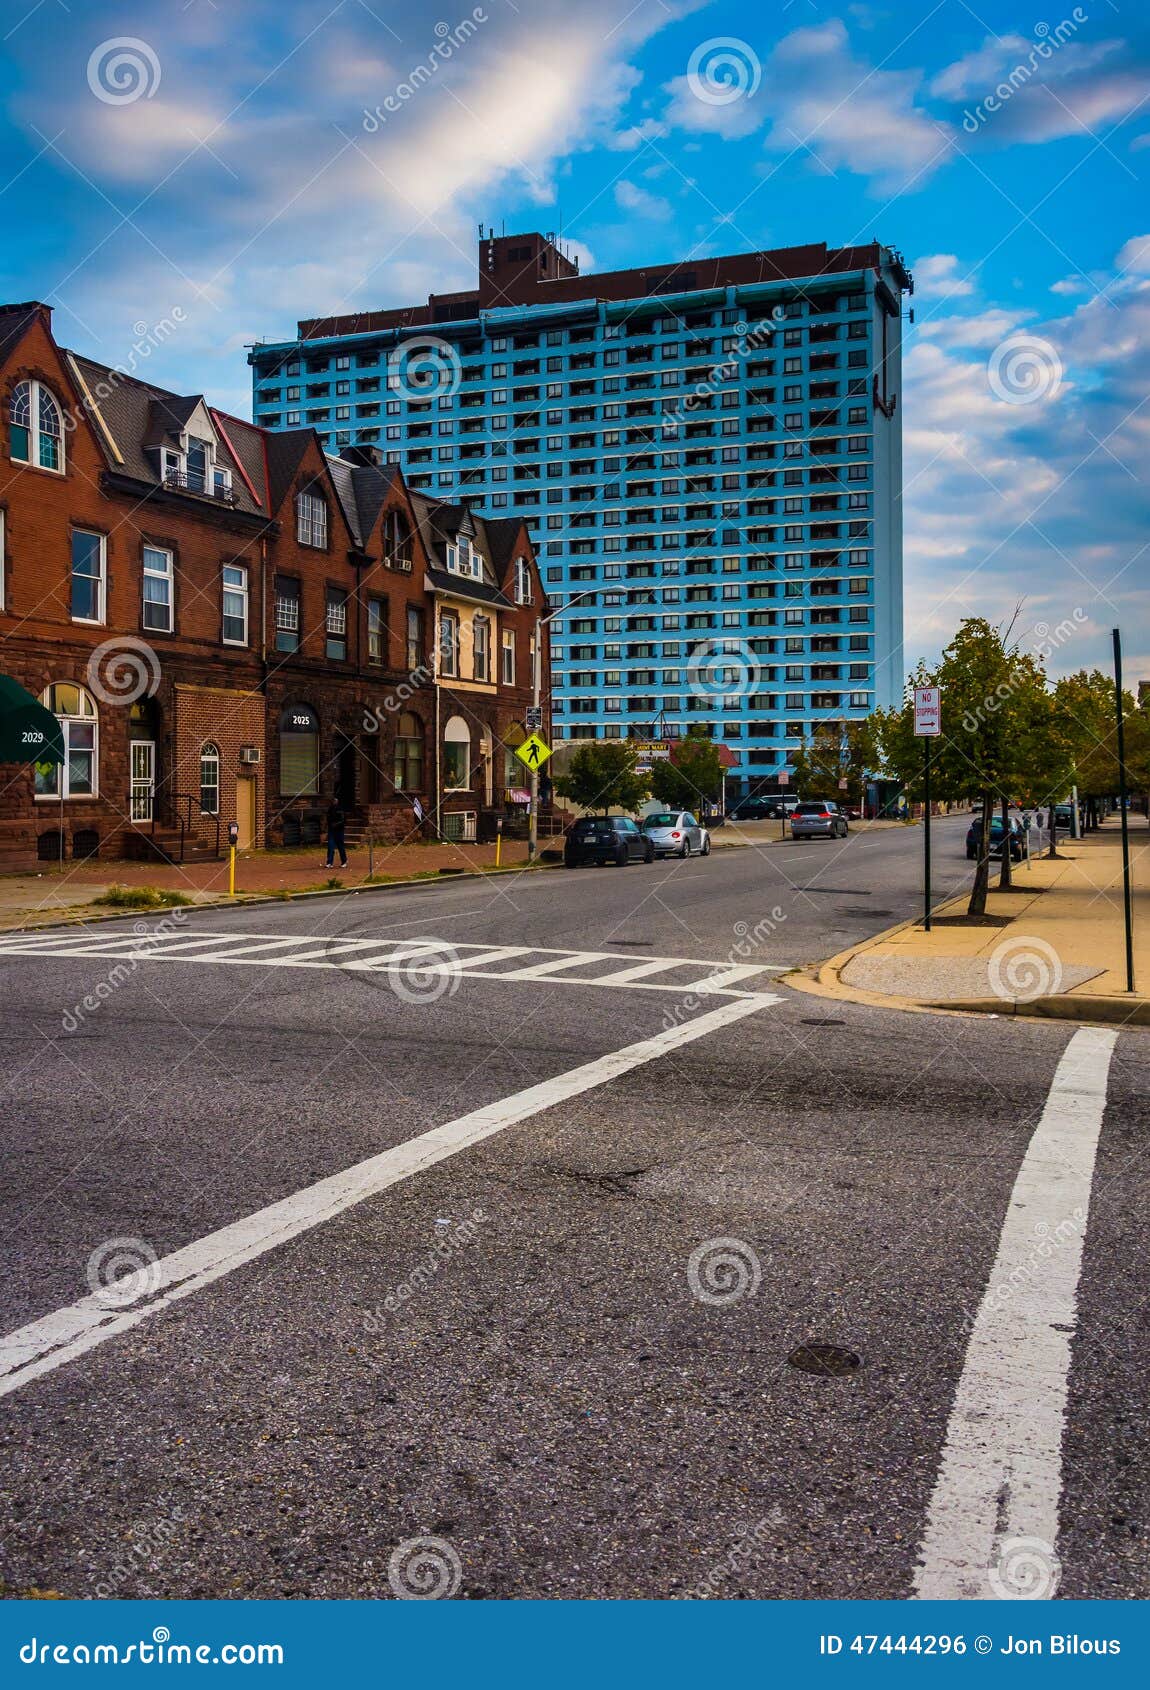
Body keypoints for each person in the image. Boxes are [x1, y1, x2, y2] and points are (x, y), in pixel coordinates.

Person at [325, 799, 348, 868]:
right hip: (331, 830)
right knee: (330, 846)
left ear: (337, 802)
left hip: (339, 830)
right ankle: (329, 862)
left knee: (340, 846)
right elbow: (328, 818)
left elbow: (343, 820)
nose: (333, 802)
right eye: (333, 801)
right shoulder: (330, 809)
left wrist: (336, 824)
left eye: (335, 801)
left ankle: (344, 861)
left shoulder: (341, 809)